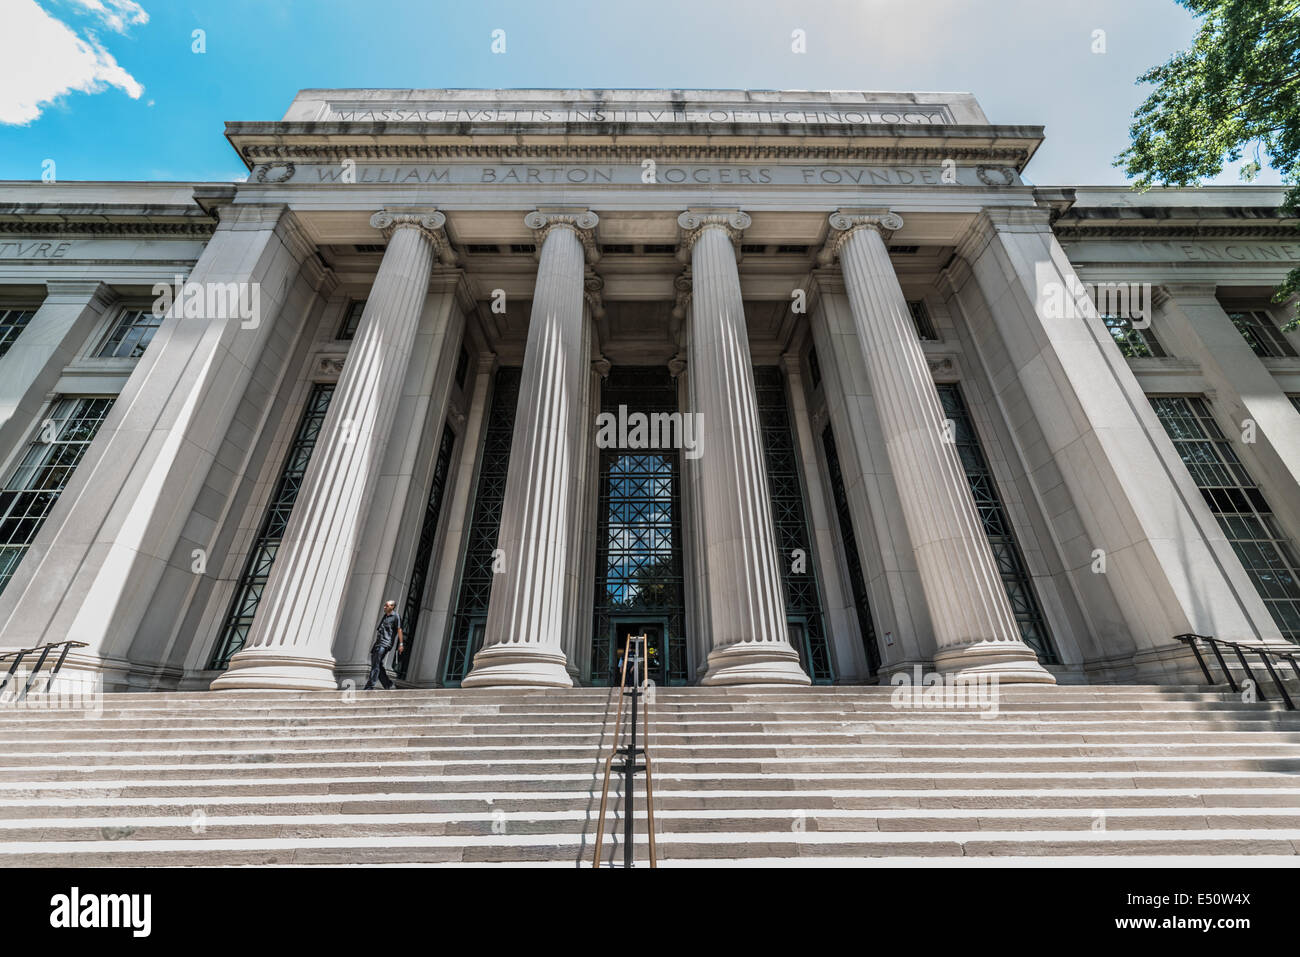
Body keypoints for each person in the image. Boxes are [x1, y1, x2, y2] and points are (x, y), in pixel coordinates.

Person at [364, 599, 404, 690]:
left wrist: (401, 644)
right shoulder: (385, 616)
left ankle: (369, 686)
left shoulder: (396, 616)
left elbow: (399, 630)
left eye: (386, 605)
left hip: (385, 643)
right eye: (384, 605)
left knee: (376, 664)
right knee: (377, 664)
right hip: (378, 643)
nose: (384, 607)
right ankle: (388, 684)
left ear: (392, 607)